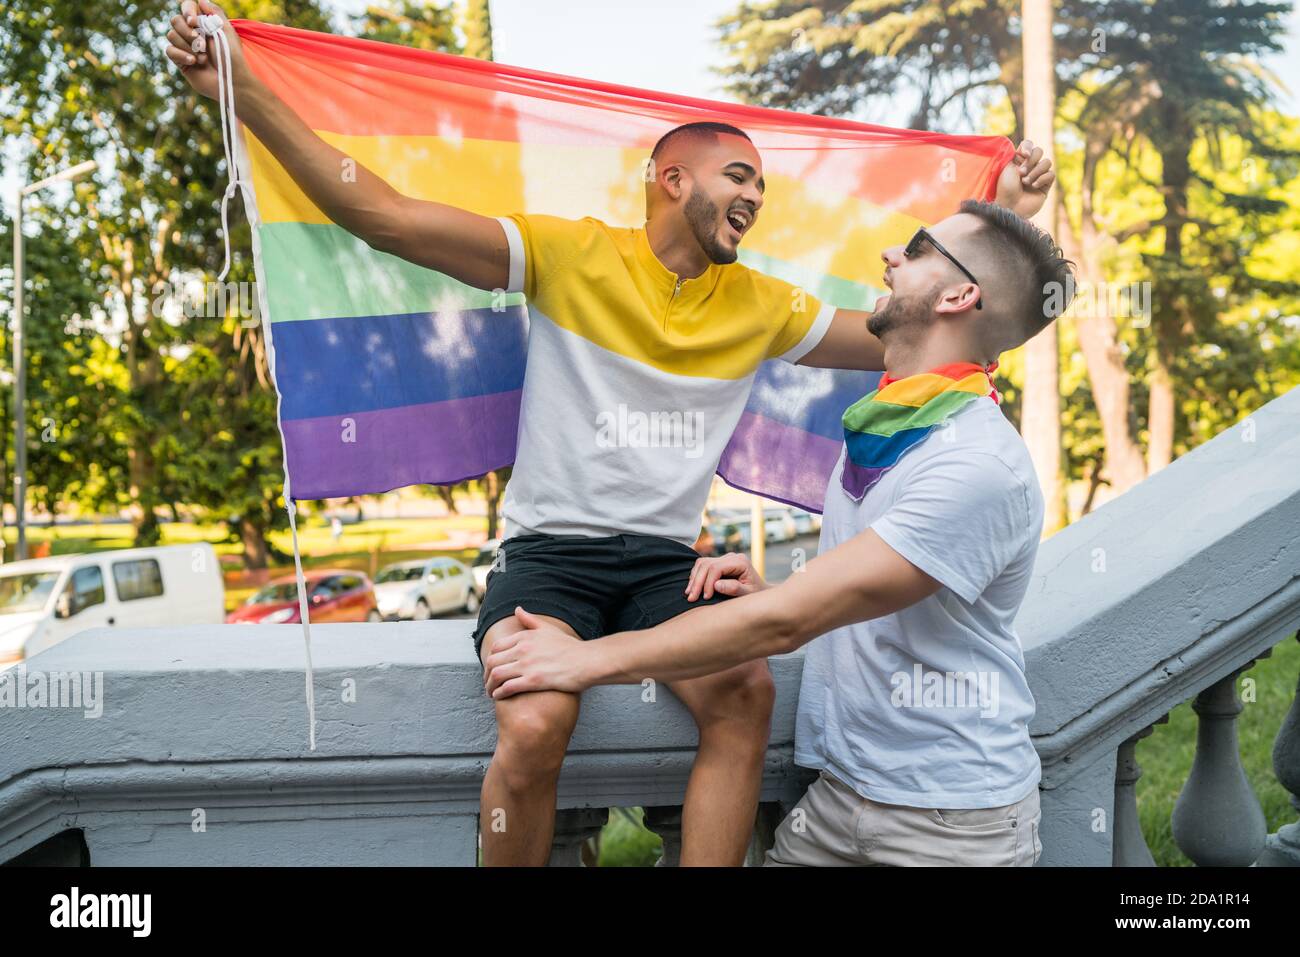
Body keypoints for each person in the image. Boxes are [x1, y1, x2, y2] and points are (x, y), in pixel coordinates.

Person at [164, 1, 1055, 865]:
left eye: (762, 187)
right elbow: (383, 215)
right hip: (549, 555)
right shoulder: (567, 251)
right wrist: (239, 90)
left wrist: (1010, 211)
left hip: (669, 562)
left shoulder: (764, 303)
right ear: (673, 180)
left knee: (744, 695)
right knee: (536, 715)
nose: (755, 196)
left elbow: (935, 327)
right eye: (737, 177)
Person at [484, 200, 1076, 866]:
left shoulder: (975, 463)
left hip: (949, 826)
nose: (890, 257)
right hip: (836, 801)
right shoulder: (894, 420)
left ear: (961, 293)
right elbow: (851, 595)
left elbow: (788, 624)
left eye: (915, 249)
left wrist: (589, 658)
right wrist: (771, 589)